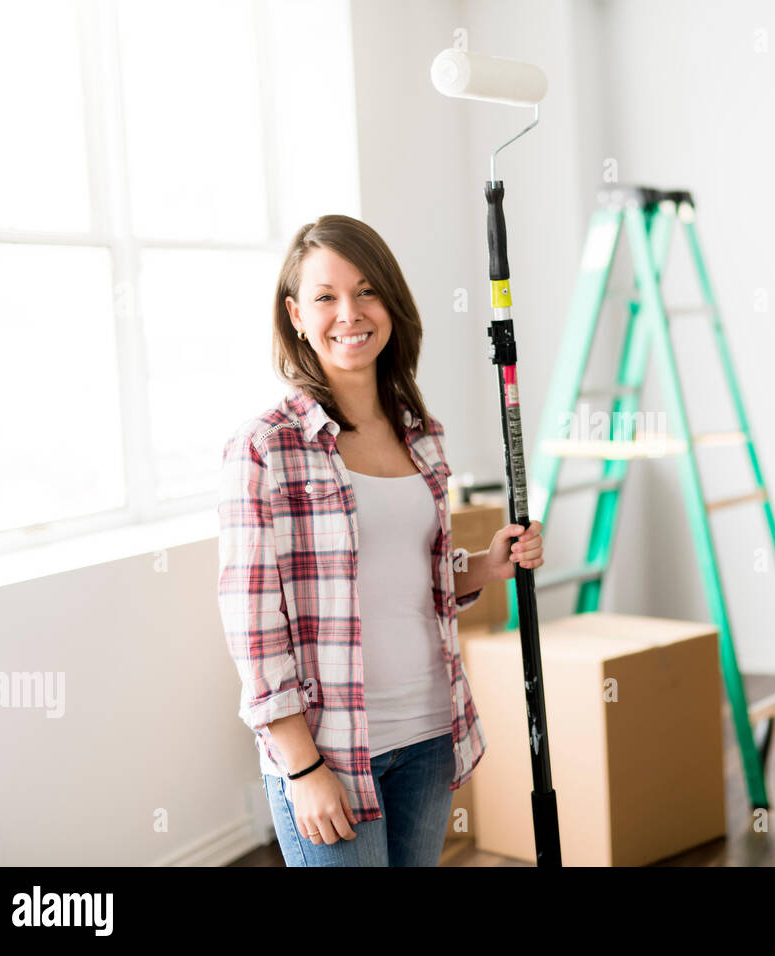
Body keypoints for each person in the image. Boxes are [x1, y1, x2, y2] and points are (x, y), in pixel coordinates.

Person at [216, 214, 543, 866]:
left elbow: (411, 578)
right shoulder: (264, 447)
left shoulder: (421, 433)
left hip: (427, 733)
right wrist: (303, 768)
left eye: (367, 290)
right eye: (326, 296)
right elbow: (253, 628)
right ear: (296, 315)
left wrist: (488, 565)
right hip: (330, 749)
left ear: (391, 301)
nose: (350, 312)